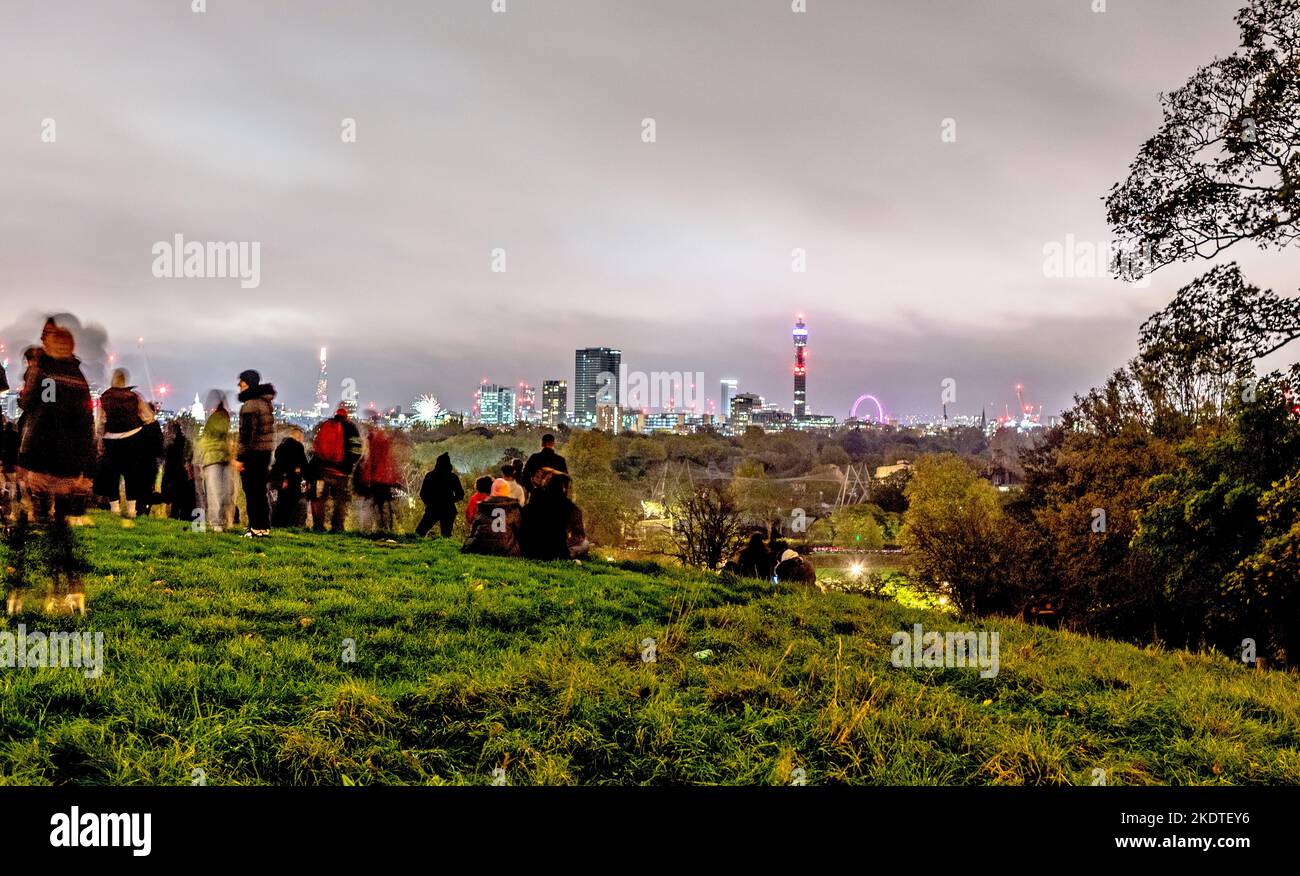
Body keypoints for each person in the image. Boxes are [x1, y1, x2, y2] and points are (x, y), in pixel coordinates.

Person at [11, 319, 95, 614]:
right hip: (64, 460)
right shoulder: (76, 373)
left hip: (44, 457)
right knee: (58, 524)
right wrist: (84, 466)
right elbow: (86, 421)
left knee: (41, 522)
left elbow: (34, 407)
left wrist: (28, 461)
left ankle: (28, 589)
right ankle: (65, 590)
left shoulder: (44, 370)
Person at [93, 367, 150, 522]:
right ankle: (131, 510)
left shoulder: (104, 397)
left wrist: (99, 439)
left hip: (111, 440)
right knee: (132, 475)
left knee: (113, 475)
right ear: (125, 382)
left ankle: (115, 509)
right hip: (133, 438)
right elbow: (147, 416)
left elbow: (99, 421)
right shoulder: (134, 397)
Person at [235, 369, 276, 538]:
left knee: (251, 492)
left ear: (248, 383)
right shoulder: (265, 403)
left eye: (242, 382)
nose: (239, 385)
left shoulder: (250, 405)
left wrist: (240, 458)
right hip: (264, 453)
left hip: (252, 455)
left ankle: (254, 528)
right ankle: (263, 528)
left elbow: (247, 435)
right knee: (260, 491)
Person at [310, 405, 362, 533]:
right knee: (340, 500)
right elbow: (356, 450)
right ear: (346, 416)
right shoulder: (350, 428)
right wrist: (348, 464)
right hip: (341, 473)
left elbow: (315, 447)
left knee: (319, 499)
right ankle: (337, 526)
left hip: (322, 470)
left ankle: (318, 526)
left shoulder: (325, 425)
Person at [520, 470, 589, 561]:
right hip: (556, 553)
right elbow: (579, 536)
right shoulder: (570, 507)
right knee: (585, 544)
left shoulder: (534, 498)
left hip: (528, 551)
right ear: (564, 488)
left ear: (545, 484)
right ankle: (571, 554)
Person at [195, 391, 234, 532]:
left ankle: (217, 523)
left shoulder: (215, 417)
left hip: (214, 459)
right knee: (219, 493)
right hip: (216, 459)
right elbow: (215, 437)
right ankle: (218, 523)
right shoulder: (220, 417)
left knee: (217, 493)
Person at [462, 477, 523, 556]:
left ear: (492, 490)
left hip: (482, 547)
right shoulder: (514, 508)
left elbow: (473, 528)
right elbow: (519, 530)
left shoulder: (482, 506)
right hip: (506, 550)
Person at [359, 423, 400, 531]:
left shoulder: (372, 443)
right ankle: (386, 528)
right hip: (386, 478)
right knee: (384, 506)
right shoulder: (385, 442)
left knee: (374, 505)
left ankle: (374, 528)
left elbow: (370, 461)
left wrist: (366, 478)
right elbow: (390, 460)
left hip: (376, 479)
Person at [416, 452, 464, 537]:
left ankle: (414, 547)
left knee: (419, 533)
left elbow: (423, 494)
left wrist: (430, 503)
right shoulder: (452, 477)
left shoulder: (430, 476)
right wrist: (449, 501)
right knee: (446, 535)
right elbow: (460, 495)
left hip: (433, 509)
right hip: (448, 509)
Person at [271, 427, 309, 528]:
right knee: (292, 504)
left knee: (281, 503)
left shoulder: (280, 447)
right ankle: (289, 525)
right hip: (293, 480)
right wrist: (299, 471)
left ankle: (277, 524)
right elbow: (304, 464)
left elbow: (278, 461)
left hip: (280, 479)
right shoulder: (298, 447)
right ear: (298, 437)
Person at [160, 420, 195, 521]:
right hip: (184, 476)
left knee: (175, 501)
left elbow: (167, 466)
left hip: (174, 475)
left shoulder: (170, 445)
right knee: (184, 502)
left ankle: (174, 515)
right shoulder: (187, 442)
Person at [135, 403, 164, 517]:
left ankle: (139, 508)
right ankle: (144, 509)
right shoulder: (155, 426)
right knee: (147, 487)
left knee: (139, 486)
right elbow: (160, 447)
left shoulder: (138, 425)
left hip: (141, 461)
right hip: (150, 462)